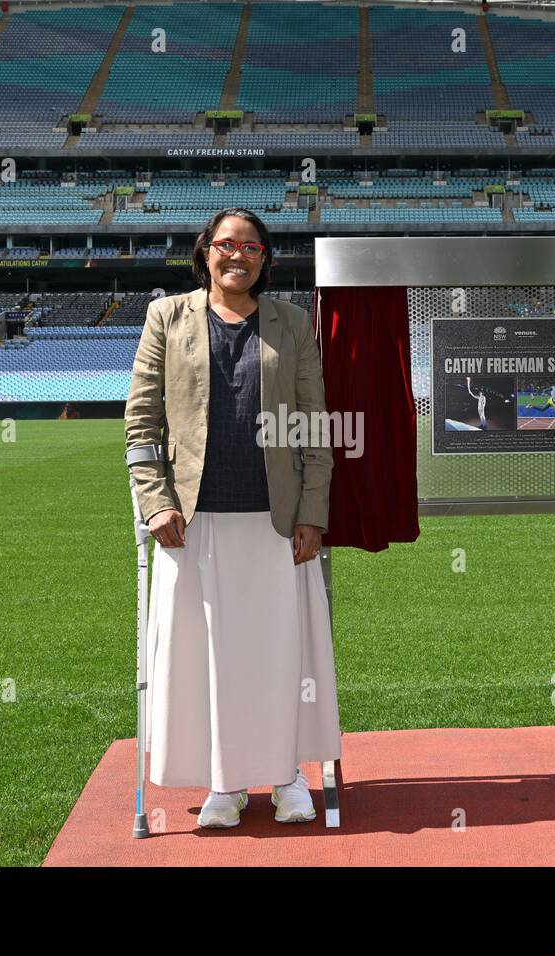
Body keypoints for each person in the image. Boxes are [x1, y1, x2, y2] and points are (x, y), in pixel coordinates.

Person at [124, 207, 341, 829]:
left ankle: (286, 776)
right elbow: (142, 421)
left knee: (280, 655)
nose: (237, 256)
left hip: (276, 520)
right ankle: (223, 784)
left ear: (265, 259)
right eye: (226, 245)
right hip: (194, 519)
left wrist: (313, 513)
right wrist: (155, 500)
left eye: (251, 247)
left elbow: (313, 424)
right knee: (206, 655)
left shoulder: (293, 323)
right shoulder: (166, 316)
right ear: (206, 252)